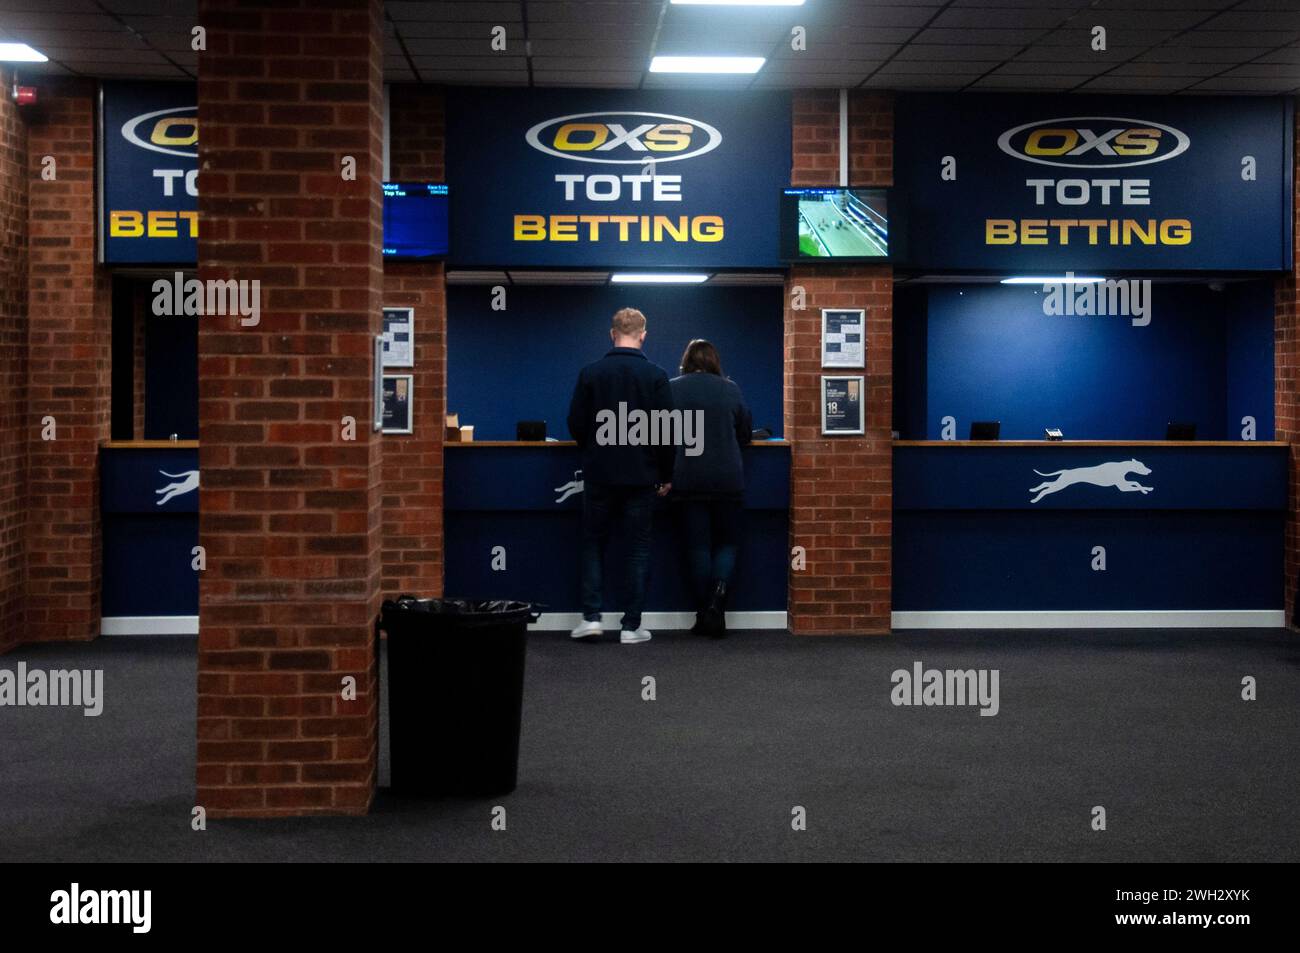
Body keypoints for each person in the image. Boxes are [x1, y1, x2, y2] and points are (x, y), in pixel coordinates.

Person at [566, 307, 674, 645]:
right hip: (641, 475)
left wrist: (594, 448)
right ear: (643, 335)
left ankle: (592, 618)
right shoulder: (656, 376)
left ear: (612, 334)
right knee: (638, 550)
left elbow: (575, 423)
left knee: (593, 544)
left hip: (599, 473)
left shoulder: (591, 373)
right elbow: (666, 433)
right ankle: (630, 627)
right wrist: (666, 474)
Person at [669, 340, 752, 637]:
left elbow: (660, 436)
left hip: (688, 478)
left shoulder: (672, 388)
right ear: (715, 361)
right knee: (727, 544)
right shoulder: (730, 389)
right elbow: (744, 433)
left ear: (686, 360)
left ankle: (705, 611)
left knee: (698, 547)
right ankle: (717, 605)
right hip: (728, 478)